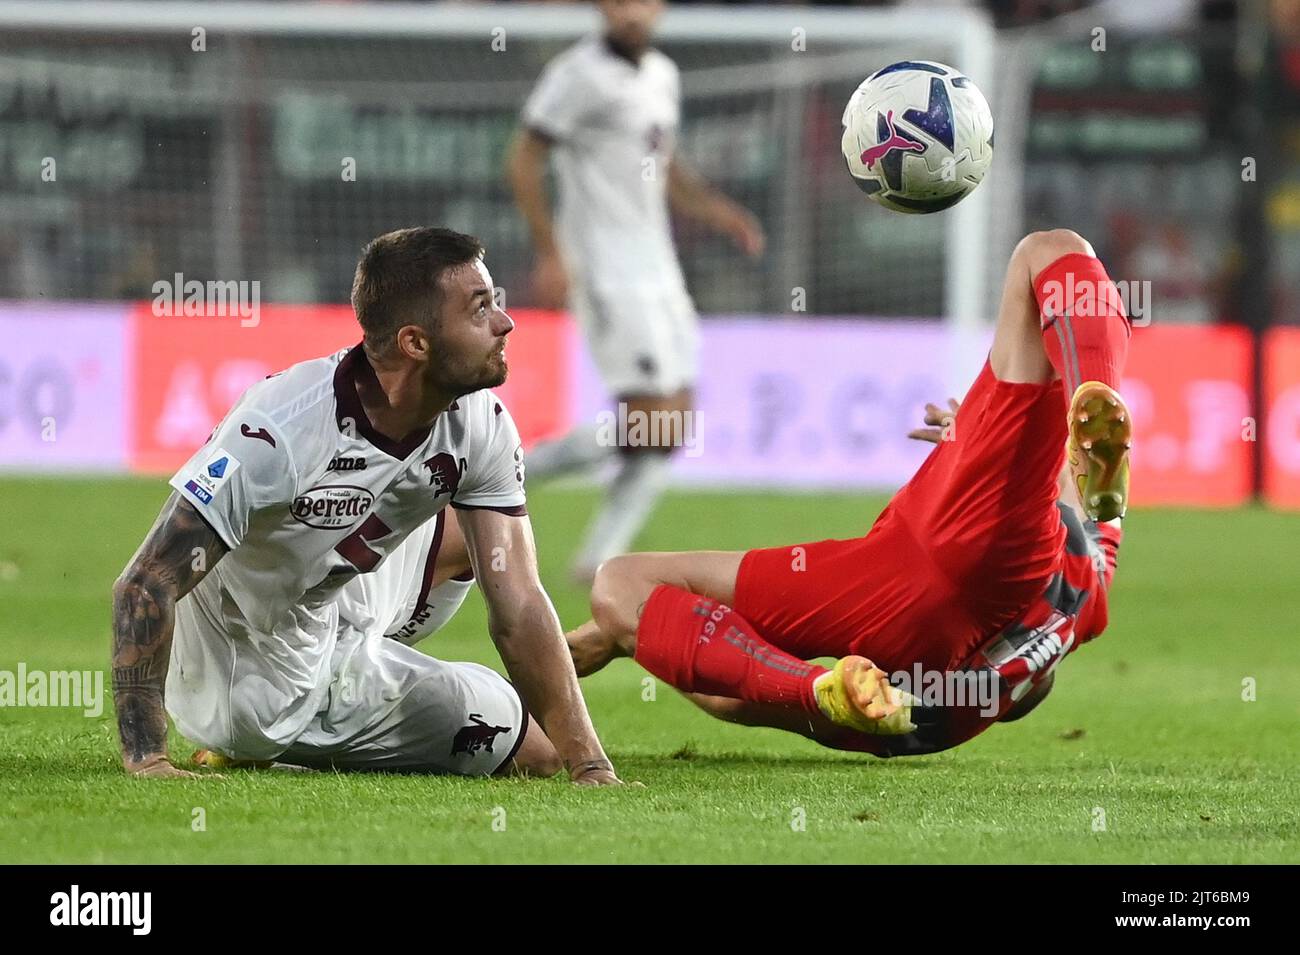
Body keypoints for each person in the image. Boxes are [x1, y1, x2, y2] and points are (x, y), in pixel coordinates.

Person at [561, 229, 1132, 756]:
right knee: (736, 693)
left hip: (930, 586)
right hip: (935, 710)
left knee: (1046, 249)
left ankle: (816, 688)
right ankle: (820, 688)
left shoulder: (1084, 591)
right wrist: (632, 636)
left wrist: (623, 631)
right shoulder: (1065, 620)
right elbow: (1058, 489)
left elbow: (1065, 486)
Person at [111, 227, 620, 784]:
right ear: (416, 343)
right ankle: (338, 702)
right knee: (534, 754)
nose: (505, 322)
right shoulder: (278, 429)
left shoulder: (479, 420)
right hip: (260, 678)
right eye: (480, 309)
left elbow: (519, 601)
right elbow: (145, 584)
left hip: (341, 588)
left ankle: (377, 662)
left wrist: (591, 765)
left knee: (481, 545)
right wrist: (148, 758)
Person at [506, 0, 765, 581]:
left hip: (658, 266)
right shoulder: (577, 75)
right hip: (605, 268)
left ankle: (598, 559)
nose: (632, 10)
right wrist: (550, 252)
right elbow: (522, 160)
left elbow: (663, 163)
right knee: (653, 419)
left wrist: (717, 211)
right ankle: (498, 471)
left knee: (671, 427)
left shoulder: (662, 75)